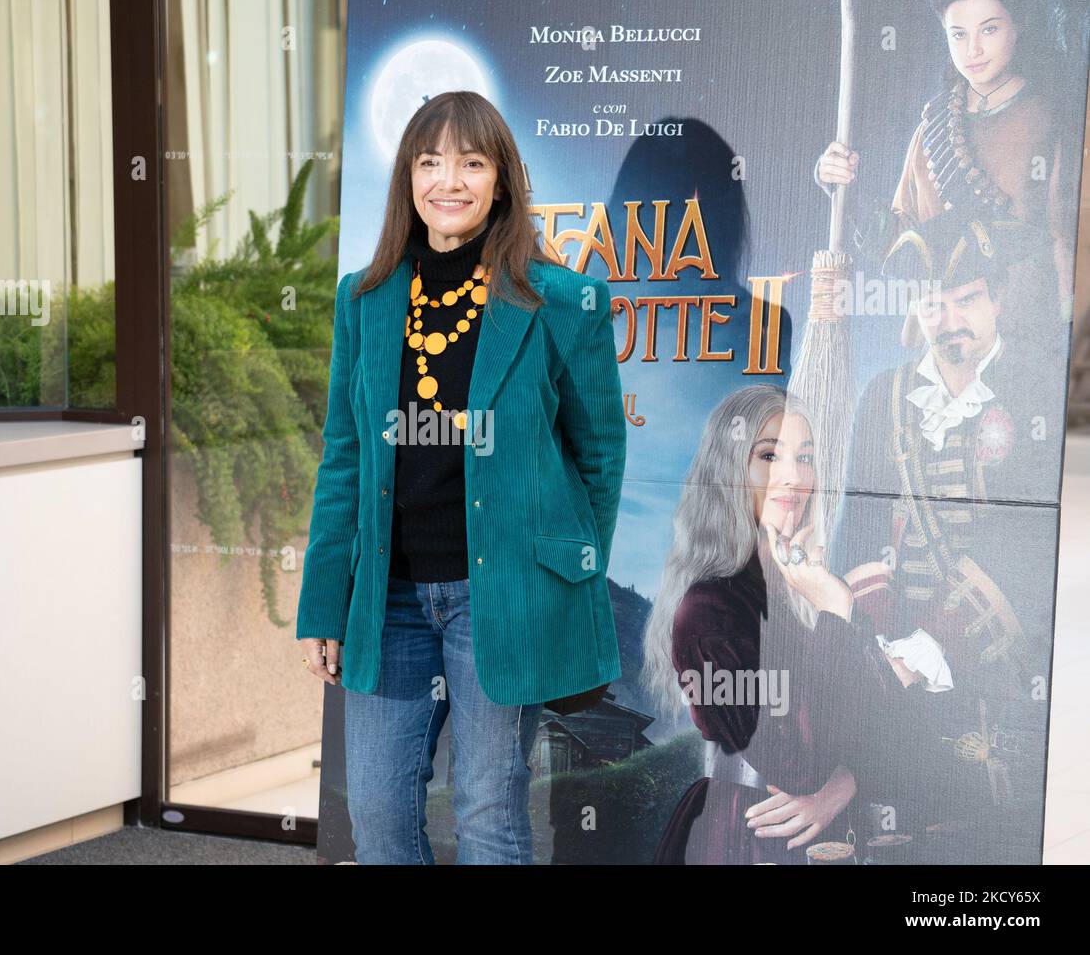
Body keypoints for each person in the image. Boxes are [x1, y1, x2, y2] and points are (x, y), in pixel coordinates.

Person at [294, 91, 627, 864]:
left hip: (498, 601)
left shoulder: (563, 301)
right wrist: (322, 604)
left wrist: (563, 577)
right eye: (431, 160)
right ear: (408, 176)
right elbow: (344, 455)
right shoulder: (365, 300)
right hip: (389, 600)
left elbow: (599, 456)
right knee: (377, 814)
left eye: (472, 162)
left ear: (501, 180)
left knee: (487, 813)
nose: (450, 179)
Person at [834, 210, 1057, 863]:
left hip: (1002, 687)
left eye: (967, 299)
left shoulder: (1041, 389)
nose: (950, 319)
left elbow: (1029, 544)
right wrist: (874, 649)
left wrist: (926, 649)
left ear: (999, 299)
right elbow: (860, 529)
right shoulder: (885, 396)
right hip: (899, 689)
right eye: (933, 301)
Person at [644, 385, 922, 865]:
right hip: (748, 837)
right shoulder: (708, 609)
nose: (793, 478)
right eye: (770, 456)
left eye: (805, 458)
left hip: (813, 837)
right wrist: (836, 608)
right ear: (729, 470)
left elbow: (889, 737)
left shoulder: (790, 590)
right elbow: (797, 763)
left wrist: (837, 790)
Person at [815, 0, 1077, 329]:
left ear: (1018, 25)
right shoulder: (932, 128)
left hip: (1027, 325)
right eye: (958, 35)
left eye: (990, 29)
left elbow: (1065, 237)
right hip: (942, 329)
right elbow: (904, 240)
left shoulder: (1052, 120)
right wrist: (846, 191)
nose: (973, 50)